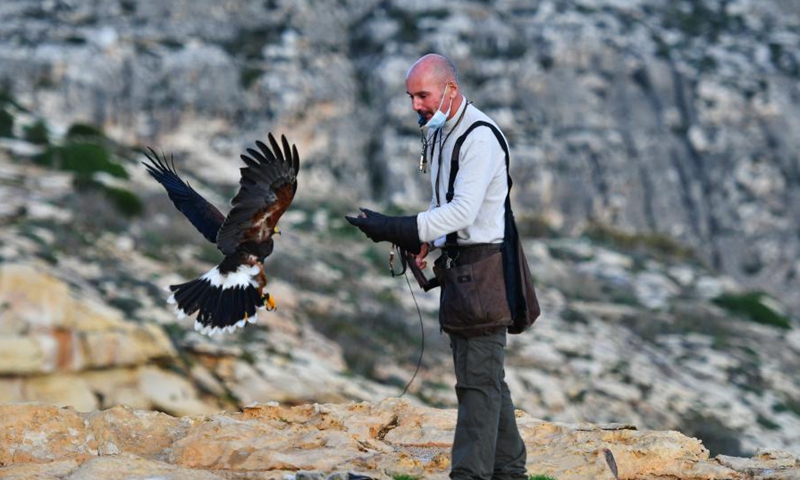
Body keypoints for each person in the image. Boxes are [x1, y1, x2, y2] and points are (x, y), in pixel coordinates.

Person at [346, 53, 527, 480]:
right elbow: (444, 204)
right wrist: (428, 239)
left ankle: (470, 475)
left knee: (476, 382)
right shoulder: (442, 131)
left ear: (450, 89)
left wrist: (400, 228)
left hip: (484, 273)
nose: (415, 106)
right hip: (462, 270)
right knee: (483, 376)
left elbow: (464, 211)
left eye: (421, 95)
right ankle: (511, 471)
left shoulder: (478, 138)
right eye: (410, 97)